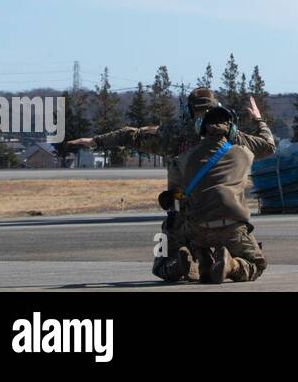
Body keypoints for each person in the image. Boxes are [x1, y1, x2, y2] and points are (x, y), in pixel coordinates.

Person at [67, 87, 218, 282]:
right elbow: (265, 146)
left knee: (162, 259)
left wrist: (95, 142)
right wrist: (258, 122)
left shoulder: (172, 134)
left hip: (181, 204)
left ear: (188, 110)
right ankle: (221, 260)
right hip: (219, 208)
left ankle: (182, 262)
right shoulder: (229, 135)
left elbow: (132, 135)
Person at [169, 93, 276, 283]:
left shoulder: (183, 159)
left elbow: (175, 198)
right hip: (231, 227)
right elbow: (268, 146)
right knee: (257, 264)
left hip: (198, 229)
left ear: (200, 128)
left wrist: (178, 224)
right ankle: (231, 265)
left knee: (178, 222)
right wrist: (258, 120)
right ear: (232, 130)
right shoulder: (243, 153)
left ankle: (195, 258)